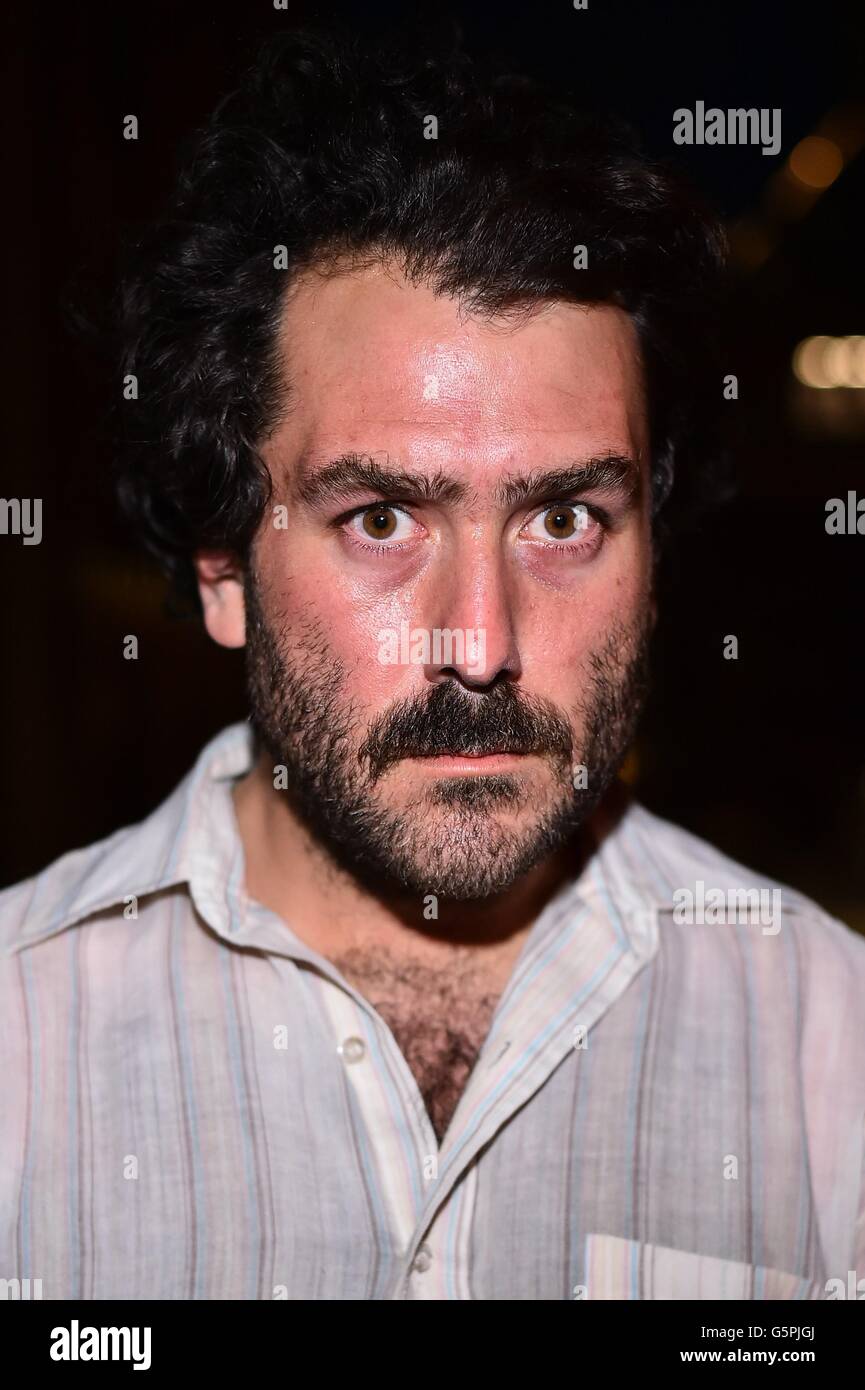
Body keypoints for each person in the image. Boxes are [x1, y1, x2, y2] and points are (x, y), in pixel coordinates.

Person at [2, 25, 863, 1302]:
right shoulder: (22, 1051)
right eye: (382, 520)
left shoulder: (827, 1051)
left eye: (564, 519)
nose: (483, 646)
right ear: (223, 570)